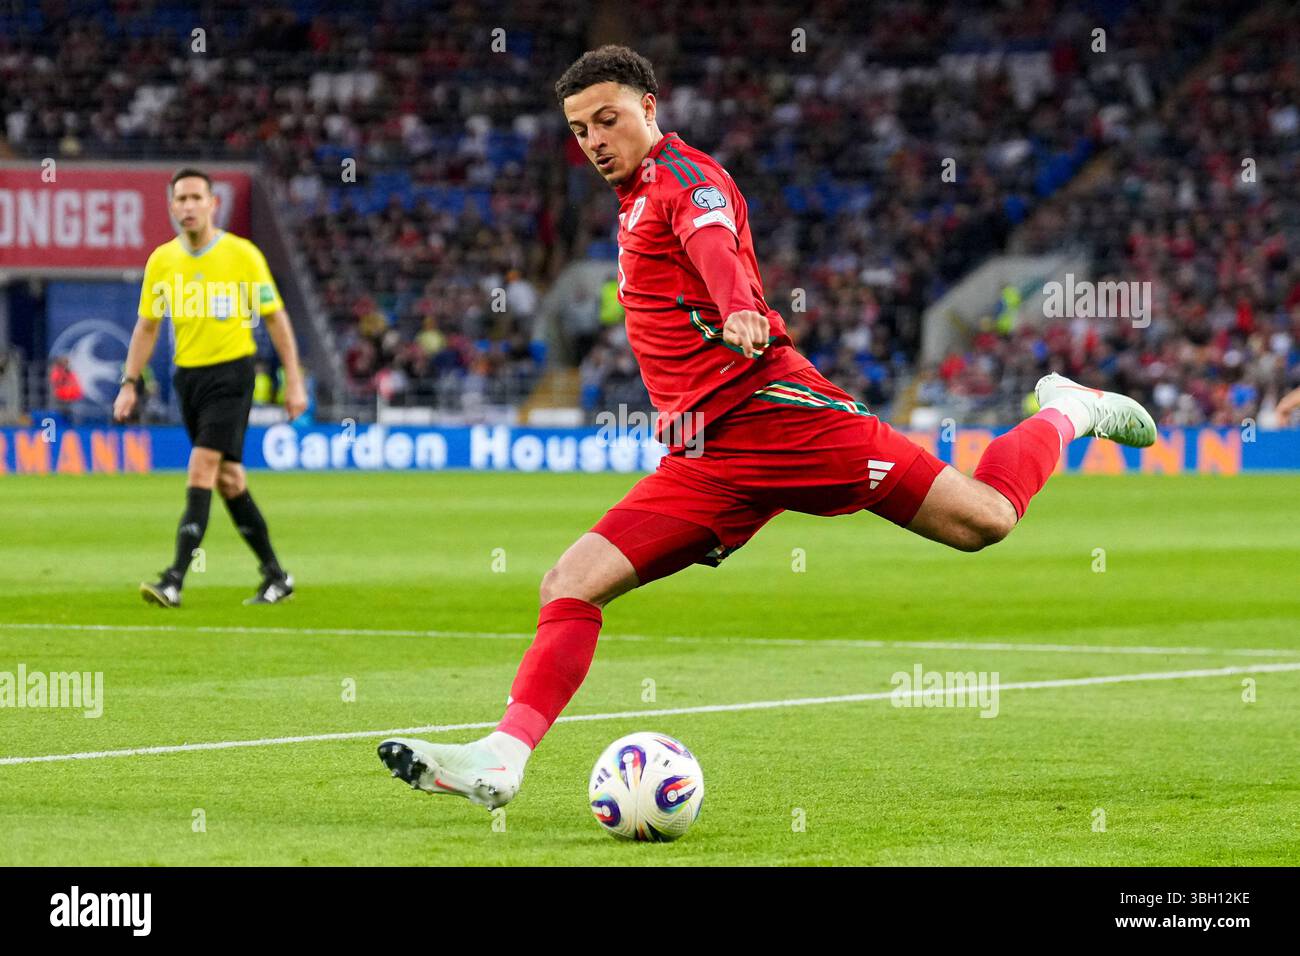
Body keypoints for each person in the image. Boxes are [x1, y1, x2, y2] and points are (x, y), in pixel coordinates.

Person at [377, 46, 1158, 809]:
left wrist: (742, 305)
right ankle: (503, 759)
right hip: (707, 458)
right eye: (580, 130)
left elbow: (713, 244)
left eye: (607, 121)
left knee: (983, 522)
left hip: (782, 420)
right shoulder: (632, 200)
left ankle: (1069, 406)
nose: (593, 142)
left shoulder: (687, 177)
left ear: (649, 109)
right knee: (571, 583)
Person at [113, 167, 306, 608]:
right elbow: (146, 327)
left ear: (213, 203)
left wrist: (293, 380)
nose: (188, 207)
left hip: (233, 376)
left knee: (201, 469)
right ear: (171, 206)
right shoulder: (162, 260)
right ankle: (276, 576)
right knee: (229, 480)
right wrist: (130, 384)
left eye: (196, 198)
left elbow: (276, 318)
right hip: (189, 379)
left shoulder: (242, 255)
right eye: (180, 199)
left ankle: (174, 579)